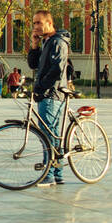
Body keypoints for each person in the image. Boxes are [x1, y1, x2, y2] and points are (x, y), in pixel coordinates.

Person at [27, 10, 70, 186]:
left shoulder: (58, 42)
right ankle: (58, 174)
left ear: (49, 24)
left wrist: (40, 87)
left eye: (39, 23)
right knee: (52, 134)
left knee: (47, 135)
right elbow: (33, 64)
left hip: (52, 94)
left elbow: (57, 70)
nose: (36, 26)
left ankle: (48, 175)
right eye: (34, 23)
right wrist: (34, 45)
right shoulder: (46, 42)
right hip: (47, 93)